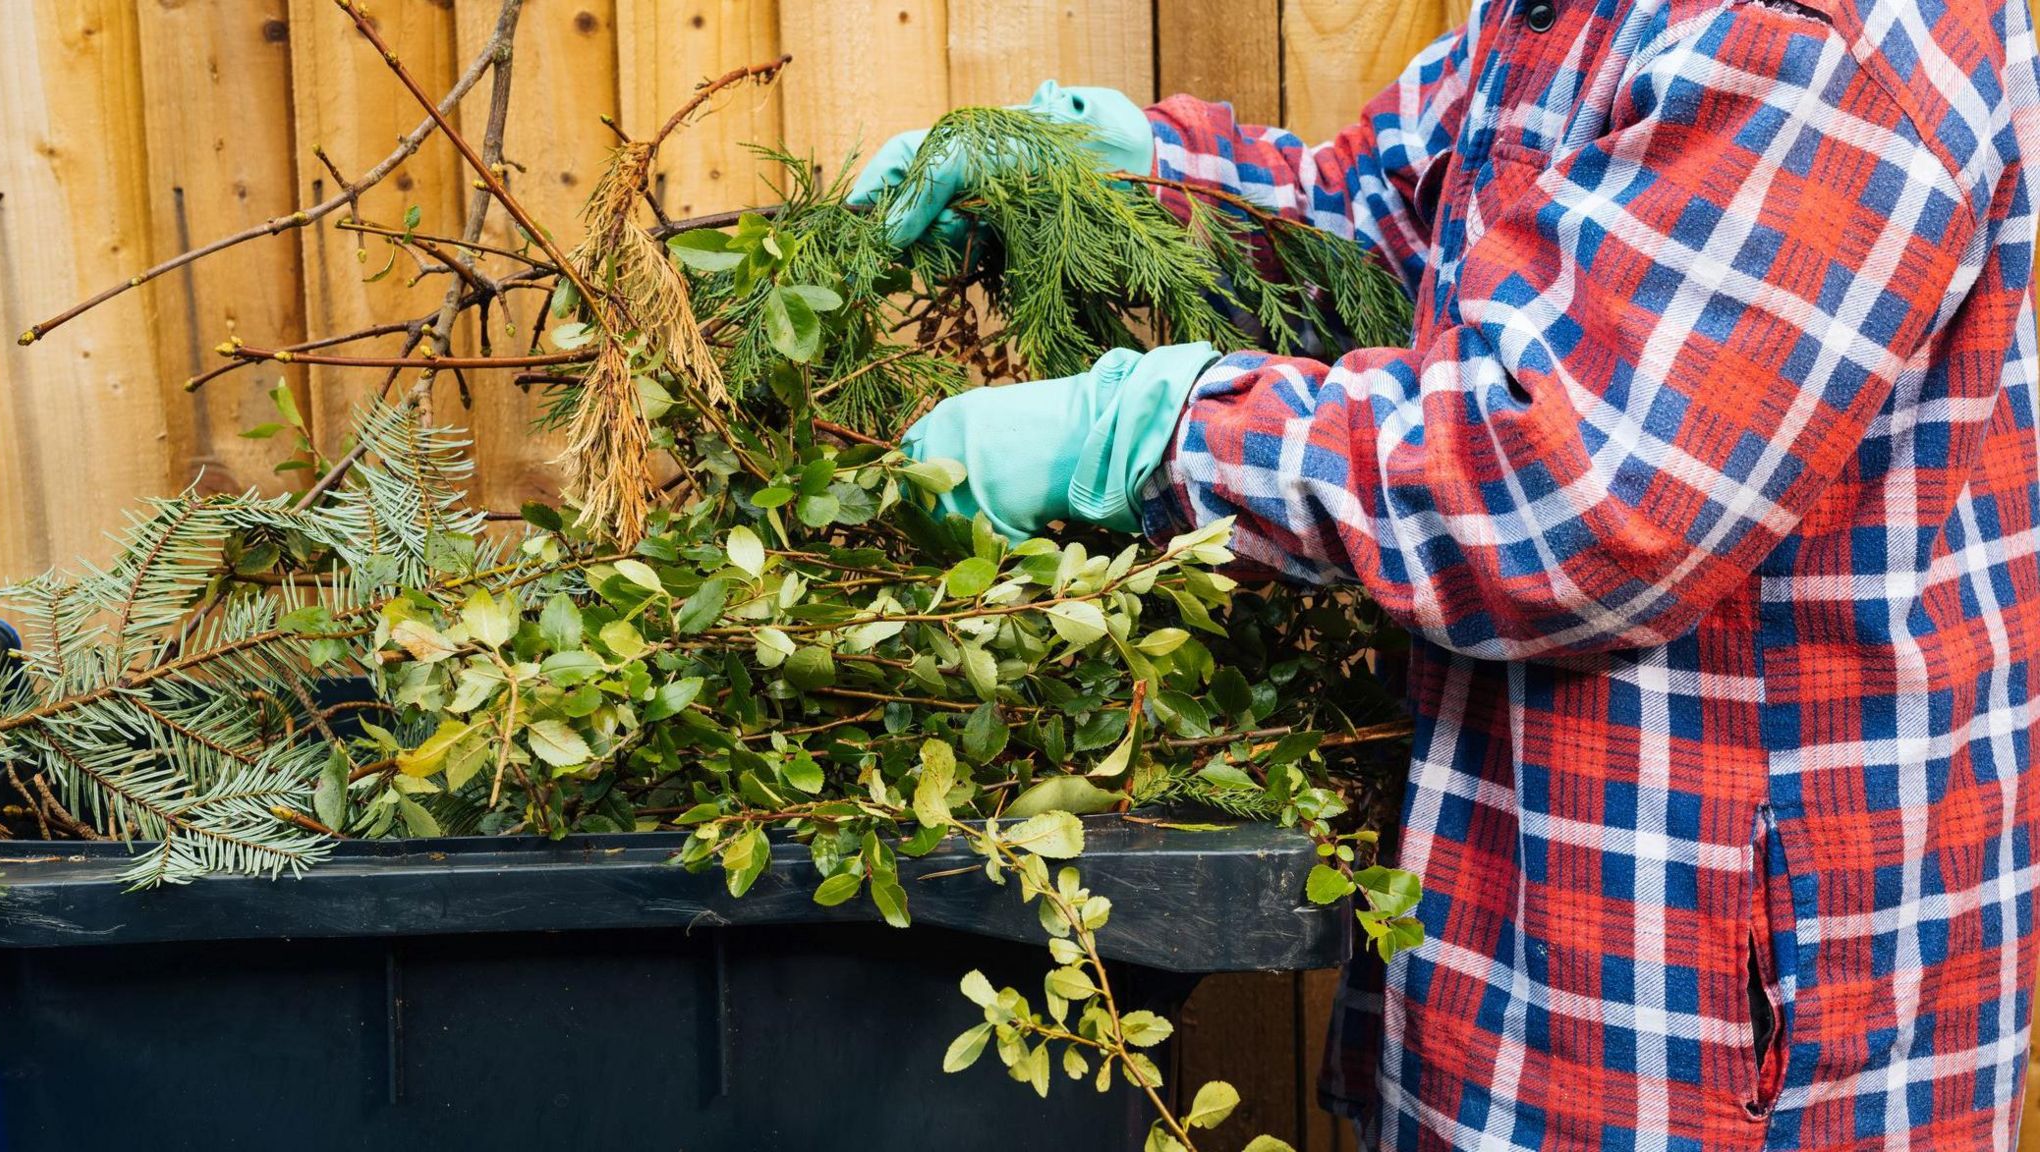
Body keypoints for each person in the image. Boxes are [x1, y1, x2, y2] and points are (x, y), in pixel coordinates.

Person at [849, 0, 2040, 1146]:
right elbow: (1392, 237)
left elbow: (1564, 495)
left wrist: (1153, 436)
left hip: (1709, 1016)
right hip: (1509, 934)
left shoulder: (1818, 31)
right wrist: (1113, 185)